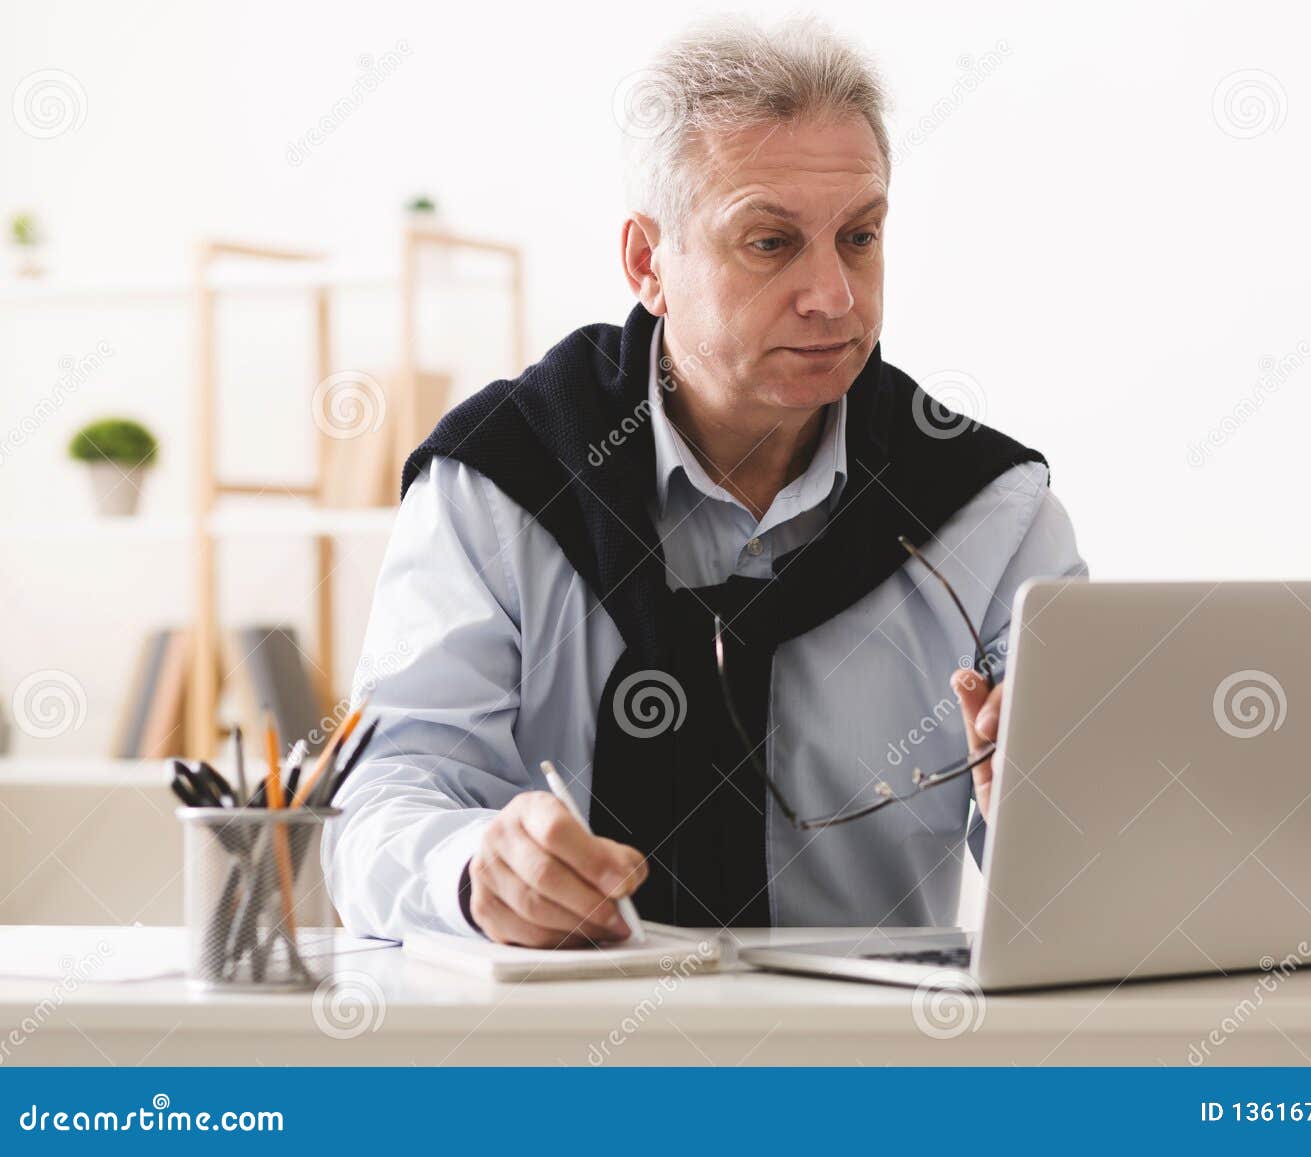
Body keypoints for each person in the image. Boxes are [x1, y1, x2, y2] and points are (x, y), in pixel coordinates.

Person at [323, 15, 1087, 946]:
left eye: (859, 236)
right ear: (648, 262)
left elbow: (1096, 881)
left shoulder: (991, 513)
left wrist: (1052, 820)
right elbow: (381, 802)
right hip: (553, 1030)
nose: (835, 296)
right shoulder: (500, 482)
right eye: (770, 242)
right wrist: (475, 869)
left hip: (881, 1035)